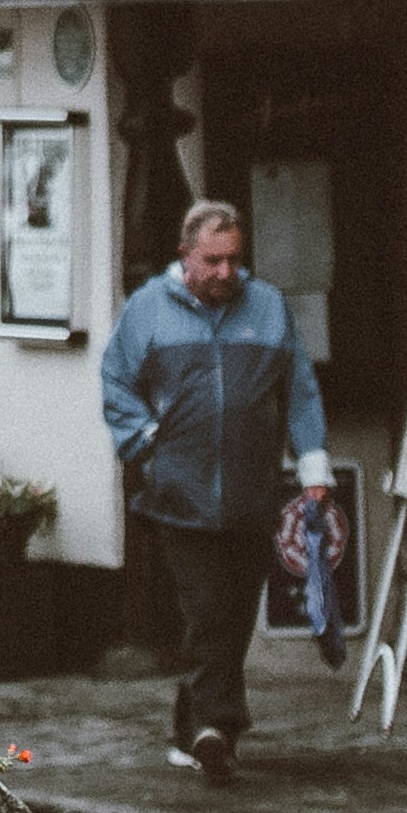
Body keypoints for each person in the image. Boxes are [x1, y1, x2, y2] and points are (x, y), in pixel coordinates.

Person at [100, 193, 333, 781]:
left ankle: (194, 720)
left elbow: (299, 390)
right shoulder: (148, 309)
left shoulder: (270, 308)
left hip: (254, 493)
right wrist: (146, 442)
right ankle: (216, 730)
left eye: (233, 259)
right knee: (206, 610)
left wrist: (312, 464)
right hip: (180, 495)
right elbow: (116, 379)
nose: (226, 273)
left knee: (233, 616)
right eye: (213, 261)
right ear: (186, 255)